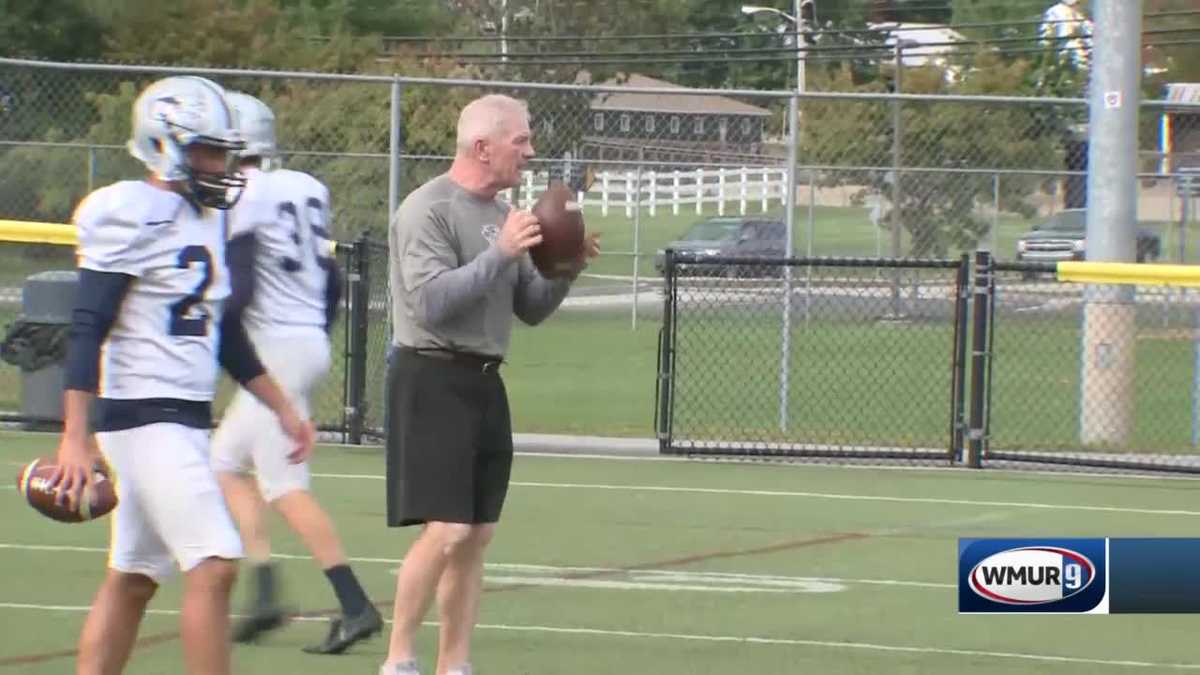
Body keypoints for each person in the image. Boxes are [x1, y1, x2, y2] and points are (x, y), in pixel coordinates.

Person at [49, 76, 316, 675]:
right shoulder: (130, 211)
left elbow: (223, 337)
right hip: (145, 417)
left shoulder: (205, 220)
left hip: (181, 418)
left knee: (135, 577)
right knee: (216, 563)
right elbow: (88, 325)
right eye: (208, 151)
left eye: (224, 151)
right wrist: (74, 435)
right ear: (164, 145)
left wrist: (283, 407)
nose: (221, 164)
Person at [380, 94, 599, 675]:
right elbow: (431, 303)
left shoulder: (506, 215)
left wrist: (567, 267)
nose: (529, 152)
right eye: (519, 141)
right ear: (483, 147)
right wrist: (501, 253)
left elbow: (530, 307)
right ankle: (398, 658)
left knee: (476, 535)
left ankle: (456, 664)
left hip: (484, 382)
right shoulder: (427, 209)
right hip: (431, 374)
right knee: (446, 529)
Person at [209, 91, 381, 653]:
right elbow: (329, 277)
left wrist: (226, 339)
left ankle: (354, 605)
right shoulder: (305, 188)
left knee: (283, 486)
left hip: (273, 348)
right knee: (225, 462)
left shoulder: (243, 198)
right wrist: (312, 332)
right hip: (302, 338)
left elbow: (240, 290)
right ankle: (264, 588)